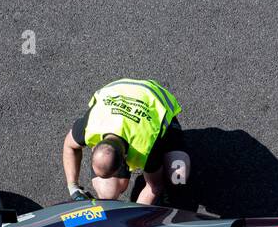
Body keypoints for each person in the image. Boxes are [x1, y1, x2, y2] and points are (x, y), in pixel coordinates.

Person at [62, 78, 190, 205]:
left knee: (178, 178)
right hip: (119, 90)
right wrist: (73, 188)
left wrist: (134, 220)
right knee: (107, 193)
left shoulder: (146, 146)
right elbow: (70, 146)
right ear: (95, 147)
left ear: (125, 160)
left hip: (155, 99)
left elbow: (154, 187)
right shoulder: (91, 125)